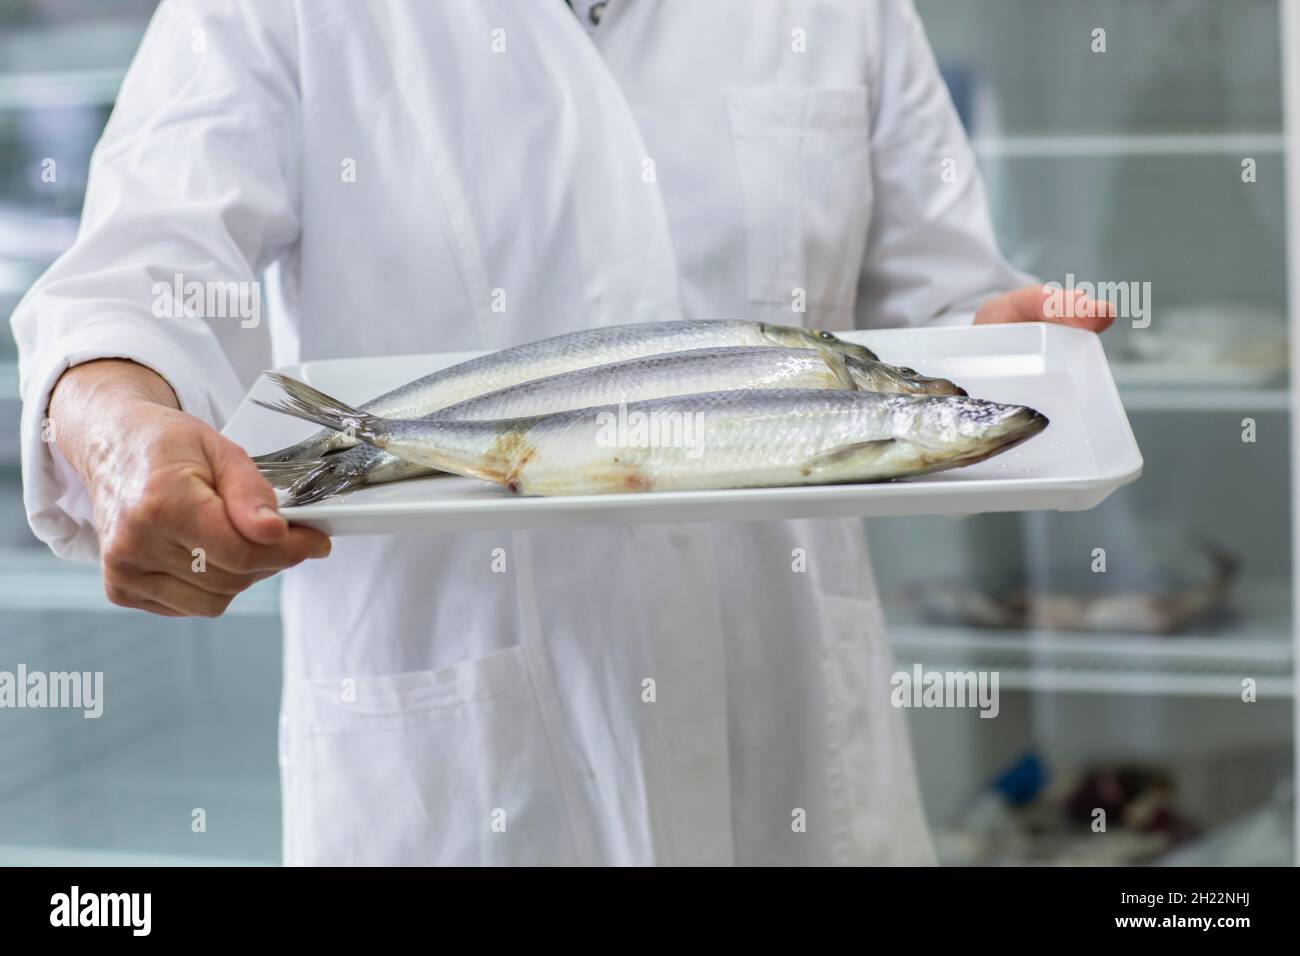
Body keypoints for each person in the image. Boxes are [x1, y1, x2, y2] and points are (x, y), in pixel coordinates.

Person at [12, 0, 1111, 865]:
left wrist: (988, 338)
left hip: (795, 751)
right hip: (463, 780)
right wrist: (120, 421)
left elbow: (930, 298)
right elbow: (133, 277)